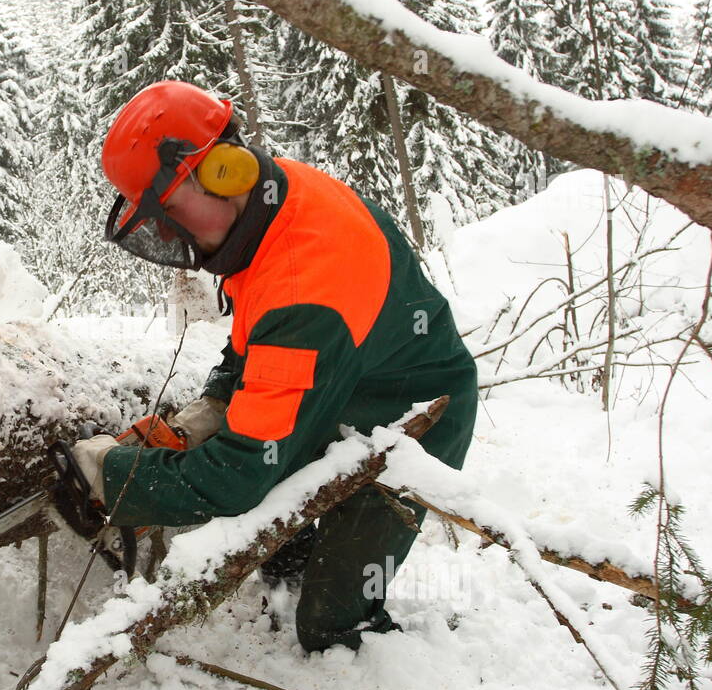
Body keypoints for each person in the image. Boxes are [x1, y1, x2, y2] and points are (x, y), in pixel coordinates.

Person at [70, 80, 478, 652]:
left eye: (167, 213)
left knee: (330, 624)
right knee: (278, 520)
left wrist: (112, 476)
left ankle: (377, 680)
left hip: (412, 417)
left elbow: (236, 479)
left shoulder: (302, 284)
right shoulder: (269, 206)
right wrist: (209, 410)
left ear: (222, 172)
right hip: (342, 381)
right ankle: (294, 569)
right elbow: (253, 341)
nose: (166, 233)